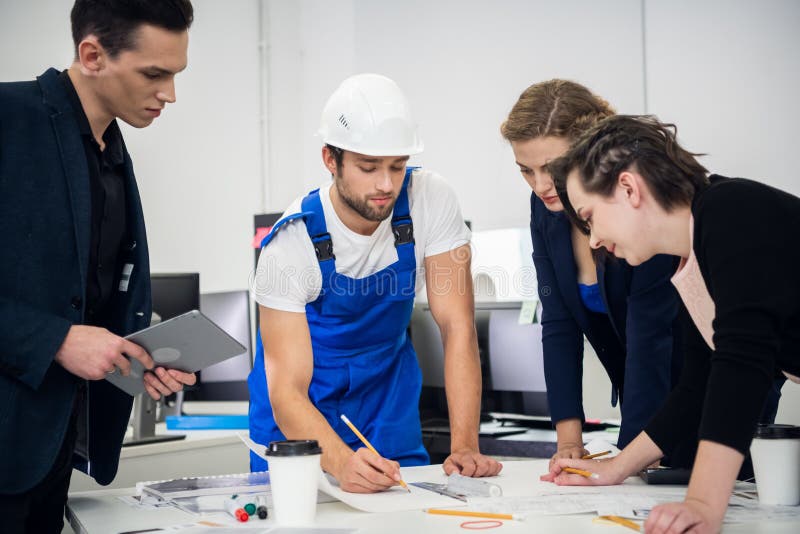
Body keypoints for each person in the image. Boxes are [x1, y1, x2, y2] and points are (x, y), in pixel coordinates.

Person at [544, 114, 799, 534]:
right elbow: (697, 387)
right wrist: (615, 468)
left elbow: (743, 365)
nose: (592, 241)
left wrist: (701, 503)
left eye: (590, 218)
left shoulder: (730, 210)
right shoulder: (690, 260)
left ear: (628, 188)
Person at [249, 73, 502, 493]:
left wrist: (465, 446)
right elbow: (287, 390)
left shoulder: (431, 201)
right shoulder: (288, 245)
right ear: (331, 159)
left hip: (388, 403)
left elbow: (457, 328)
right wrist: (341, 462)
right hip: (303, 414)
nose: (386, 184)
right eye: (368, 168)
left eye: (397, 166)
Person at [0, 1, 196, 531]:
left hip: (52, 452)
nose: (169, 94)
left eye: (175, 74)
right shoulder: (8, 118)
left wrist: (137, 358)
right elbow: (60, 326)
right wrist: (56, 340)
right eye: (154, 74)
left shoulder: (111, 149)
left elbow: (88, 296)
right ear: (92, 55)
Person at [500, 80, 684, 461]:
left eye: (551, 168)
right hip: (641, 401)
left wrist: (627, 460)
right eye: (526, 171)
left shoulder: (634, 205)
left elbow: (651, 339)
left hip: (696, 389)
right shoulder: (545, 212)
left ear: (591, 147)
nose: (540, 185)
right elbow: (559, 325)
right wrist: (569, 444)